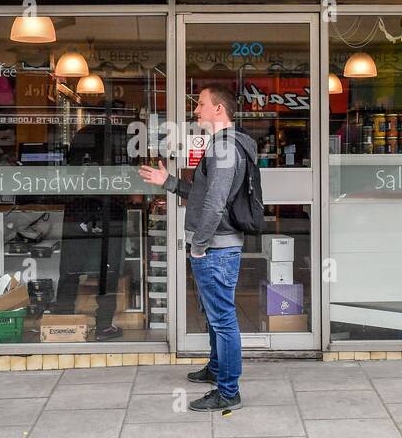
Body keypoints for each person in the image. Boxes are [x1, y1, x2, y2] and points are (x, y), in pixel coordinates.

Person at [139, 84, 258, 411]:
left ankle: (228, 390)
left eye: (201, 104)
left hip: (216, 248)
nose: (195, 110)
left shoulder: (224, 148)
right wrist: (170, 183)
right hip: (218, 246)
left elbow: (216, 204)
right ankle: (217, 369)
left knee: (222, 319)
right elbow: (206, 194)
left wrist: (199, 246)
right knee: (214, 314)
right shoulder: (224, 145)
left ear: (218, 109)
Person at [53, 108, 129, 340]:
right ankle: (104, 326)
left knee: (70, 269)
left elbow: (70, 172)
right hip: (110, 210)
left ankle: (63, 324)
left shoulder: (82, 135)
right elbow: (127, 173)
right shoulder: (121, 135)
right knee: (109, 270)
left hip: (79, 210)